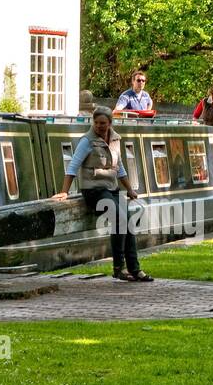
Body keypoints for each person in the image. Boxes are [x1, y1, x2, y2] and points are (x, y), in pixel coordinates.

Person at [52, 106, 153, 282]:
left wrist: (129, 189)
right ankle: (118, 268)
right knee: (120, 219)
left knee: (128, 223)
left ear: (110, 123)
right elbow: (73, 166)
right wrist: (64, 191)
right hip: (94, 190)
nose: (99, 126)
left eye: (103, 123)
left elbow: (119, 167)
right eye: (97, 123)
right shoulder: (87, 141)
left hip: (112, 188)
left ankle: (135, 269)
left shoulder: (115, 139)